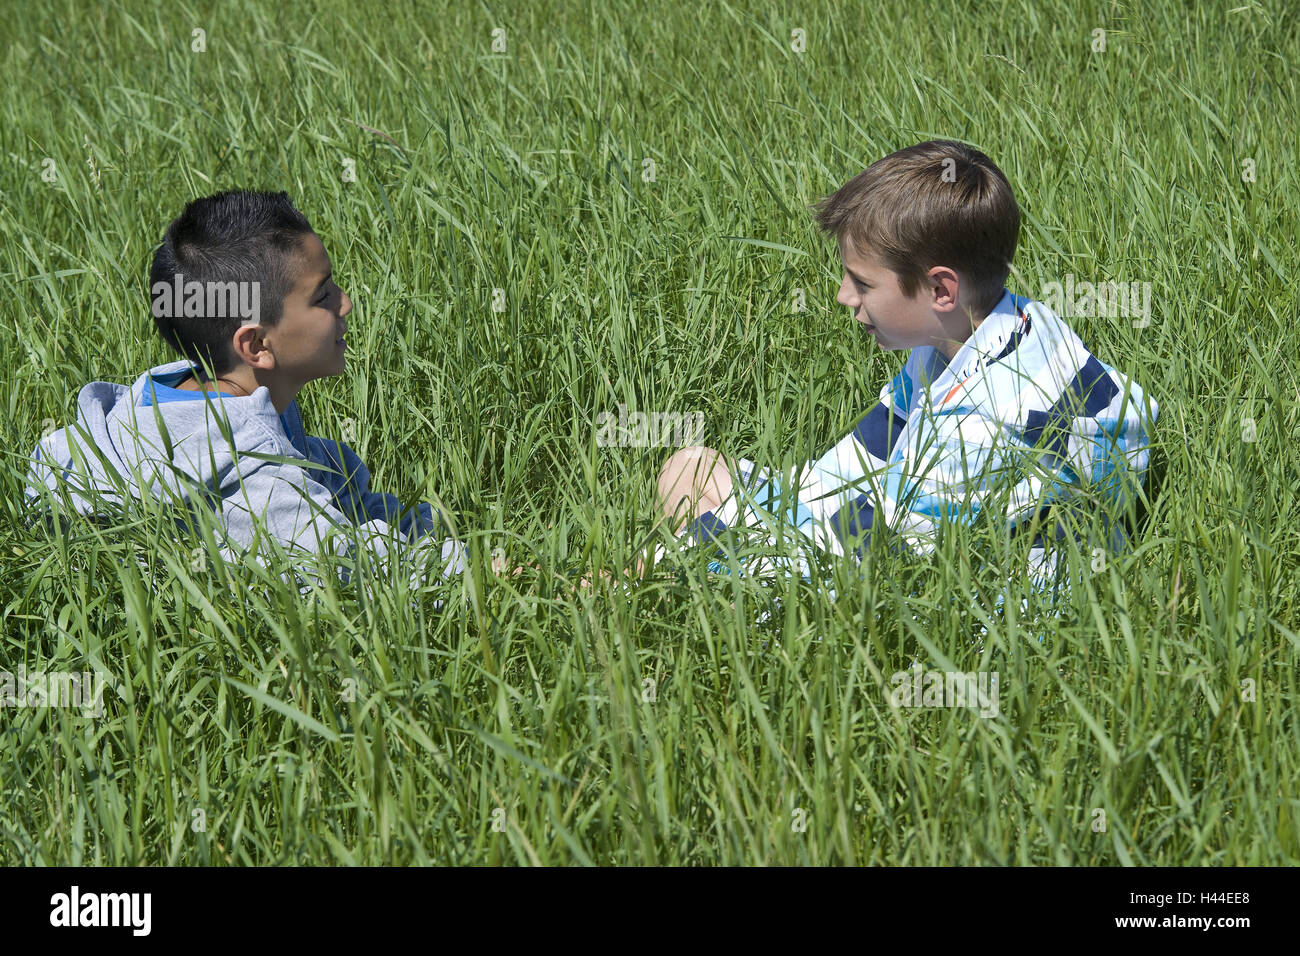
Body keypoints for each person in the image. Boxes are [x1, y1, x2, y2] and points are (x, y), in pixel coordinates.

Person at [653, 140, 1158, 595]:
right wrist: (731, 516)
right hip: (909, 535)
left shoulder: (984, 425)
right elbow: (857, 463)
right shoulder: (974, 332)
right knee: (691, 467)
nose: (843, 296)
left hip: (966, 601)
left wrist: (660, 564)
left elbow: (869, 558)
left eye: (863, 283)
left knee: (690, 515)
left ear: (941, 290)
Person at [23, 190, 465, 591]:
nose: (345, 302)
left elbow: (328, 485)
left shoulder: (185, 389)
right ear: (255, 345)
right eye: (323, 295)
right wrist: (473, 568)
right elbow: (348, 567)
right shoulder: (256, 477)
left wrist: (421, 522)